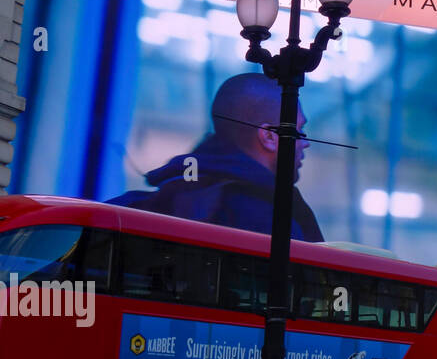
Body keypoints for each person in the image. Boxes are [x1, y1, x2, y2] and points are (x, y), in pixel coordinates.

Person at [110, 73, 323, 241]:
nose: (305, 143)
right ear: (269, 136)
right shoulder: (273, 222)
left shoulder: (134, 209)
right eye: (298, 131)